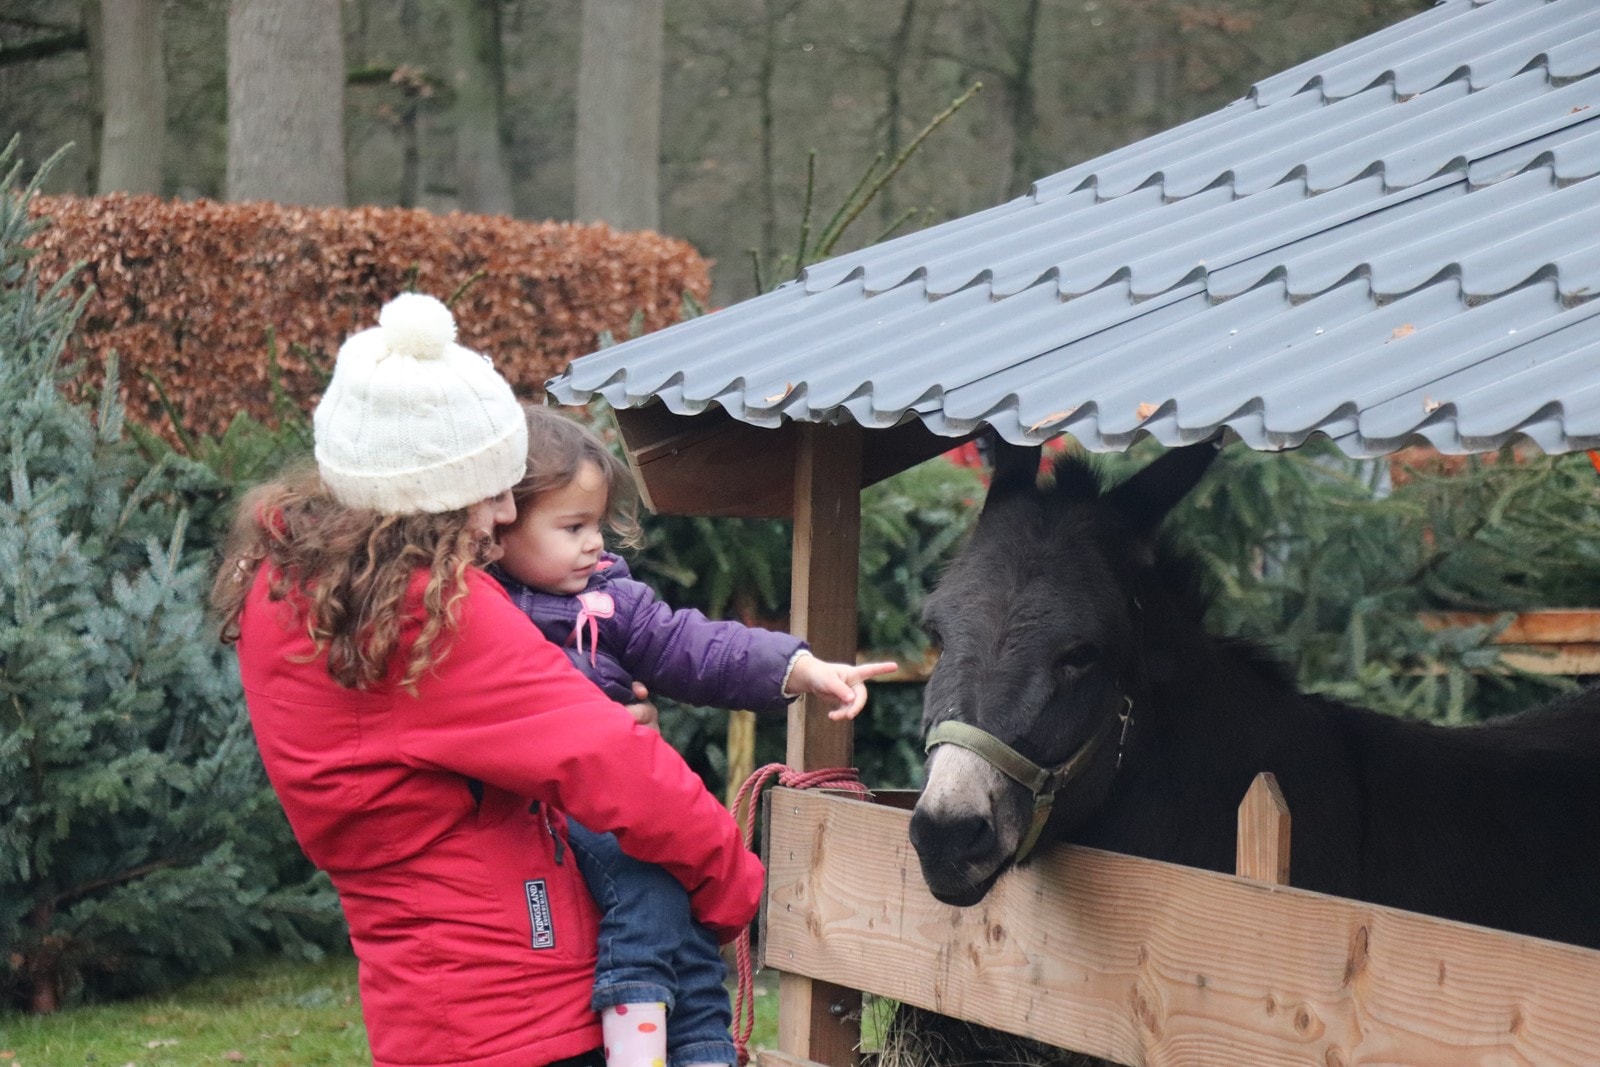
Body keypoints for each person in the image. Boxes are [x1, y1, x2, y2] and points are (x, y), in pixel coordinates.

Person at [211, 293, 765, 1067]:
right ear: (430, 497)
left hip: (427, 997)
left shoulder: (296, 587)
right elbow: (610, 760)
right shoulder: (426, 615)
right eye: (492, 487)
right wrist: (731, 880)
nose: (504, 511)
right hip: (512, 1000)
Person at [488, 404, 898, 1067]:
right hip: (564, 810)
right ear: (502, 527)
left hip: (623, 797)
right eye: (572, 526)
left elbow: (691, 645)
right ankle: (637, 1049)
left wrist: (798, 667)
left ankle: (706, 1052)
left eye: (597, 524)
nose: (595, 543)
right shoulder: (489, 616)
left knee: (693, 937)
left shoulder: (609, 597)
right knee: (647, 888)